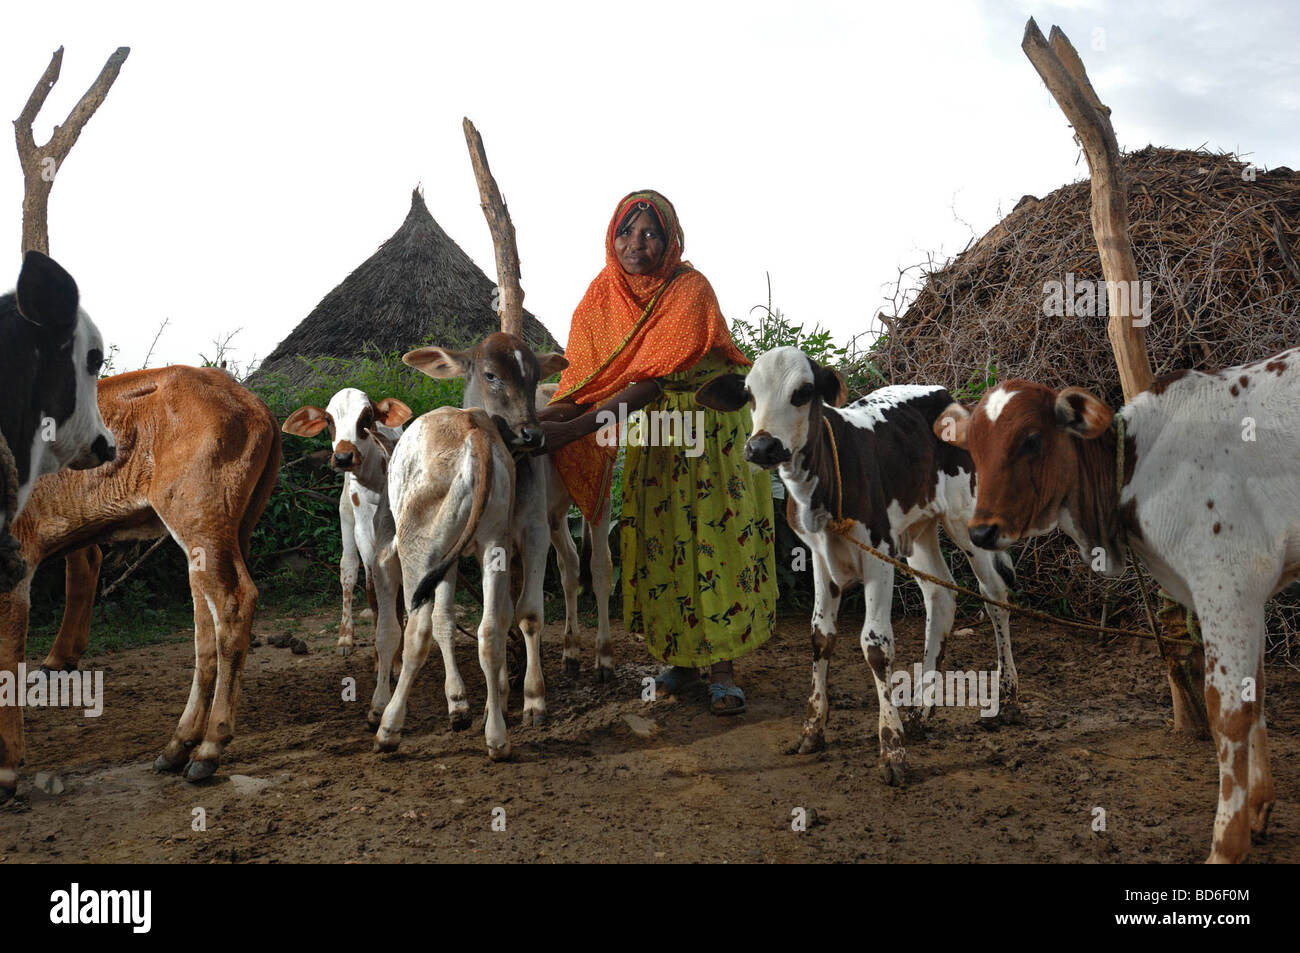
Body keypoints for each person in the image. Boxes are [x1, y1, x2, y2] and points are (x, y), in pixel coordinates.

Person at [536, 190, 776, 714]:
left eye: (650, 234)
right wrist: (532, 421)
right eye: (626, 231)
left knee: (714, 541)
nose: (635, 244)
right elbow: (582, 382)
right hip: (658, 437)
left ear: (669, 241)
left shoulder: (689, 290)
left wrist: (571, 431)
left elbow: (648, 383)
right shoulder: (602, 297)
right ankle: (683, 663)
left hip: (710, 431)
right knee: (662, 541)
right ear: (611, 237)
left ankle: (723, 670)